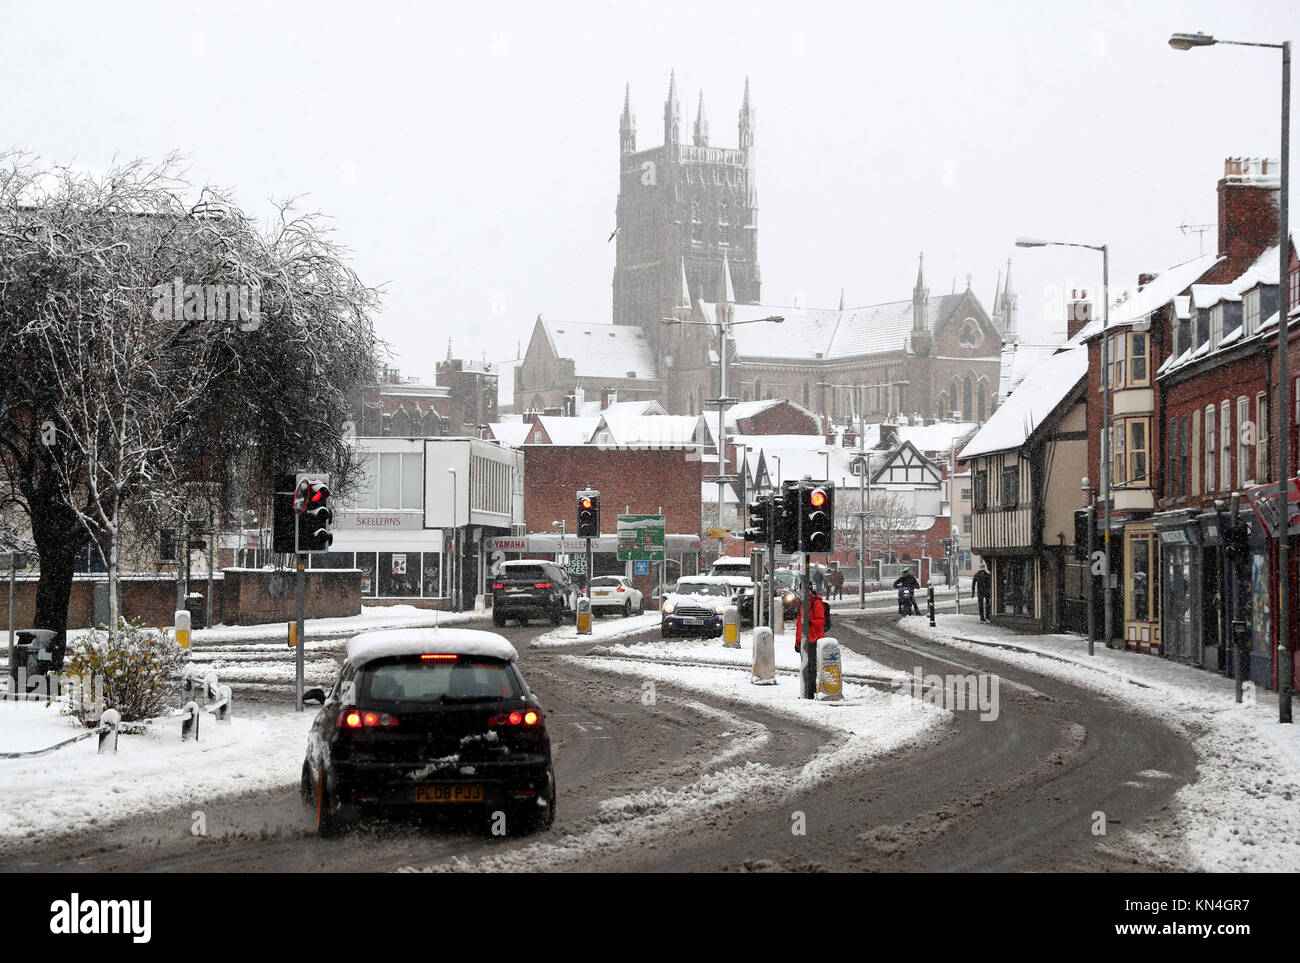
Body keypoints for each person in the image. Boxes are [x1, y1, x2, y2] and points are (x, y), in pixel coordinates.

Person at [794, 585, 830, 654]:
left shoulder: (816, 603)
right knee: (805, 663)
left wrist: (811, 623)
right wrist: (797, 642)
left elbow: (821, 622)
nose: (803, 592)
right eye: (802, 590)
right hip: (804, 640)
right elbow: (799, 626)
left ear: (810, 590)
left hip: (814, 641)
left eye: (806, 590)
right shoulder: (801, 604)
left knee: (812, 663)